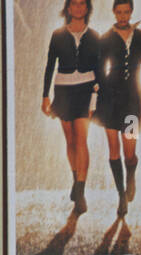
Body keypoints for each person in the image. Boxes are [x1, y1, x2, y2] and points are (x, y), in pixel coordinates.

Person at [41, 0, 100, 215]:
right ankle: (75, 179)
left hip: (85, 90)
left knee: (82, 138)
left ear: (86, 8)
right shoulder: (58, 35)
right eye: (74, 4)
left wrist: (96, 96)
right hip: (63, 90)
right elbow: (50, 65)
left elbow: (99, 68)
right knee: (70, 140)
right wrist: (45, 95)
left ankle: (81, 193)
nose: (78, 7)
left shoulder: (94, 36)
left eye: (81, 4)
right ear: (68, 8)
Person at [95, 0, 141, 218]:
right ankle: (120, 195)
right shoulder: (106, 38)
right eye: (119, 12)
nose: (122, 15)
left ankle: (131, 176)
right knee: (113, 149)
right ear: (114, 13)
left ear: (131, 12)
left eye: (126, 11)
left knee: (130, 152)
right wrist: (95, 98)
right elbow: (99, 70)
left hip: (132, 100)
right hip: (109, 99)